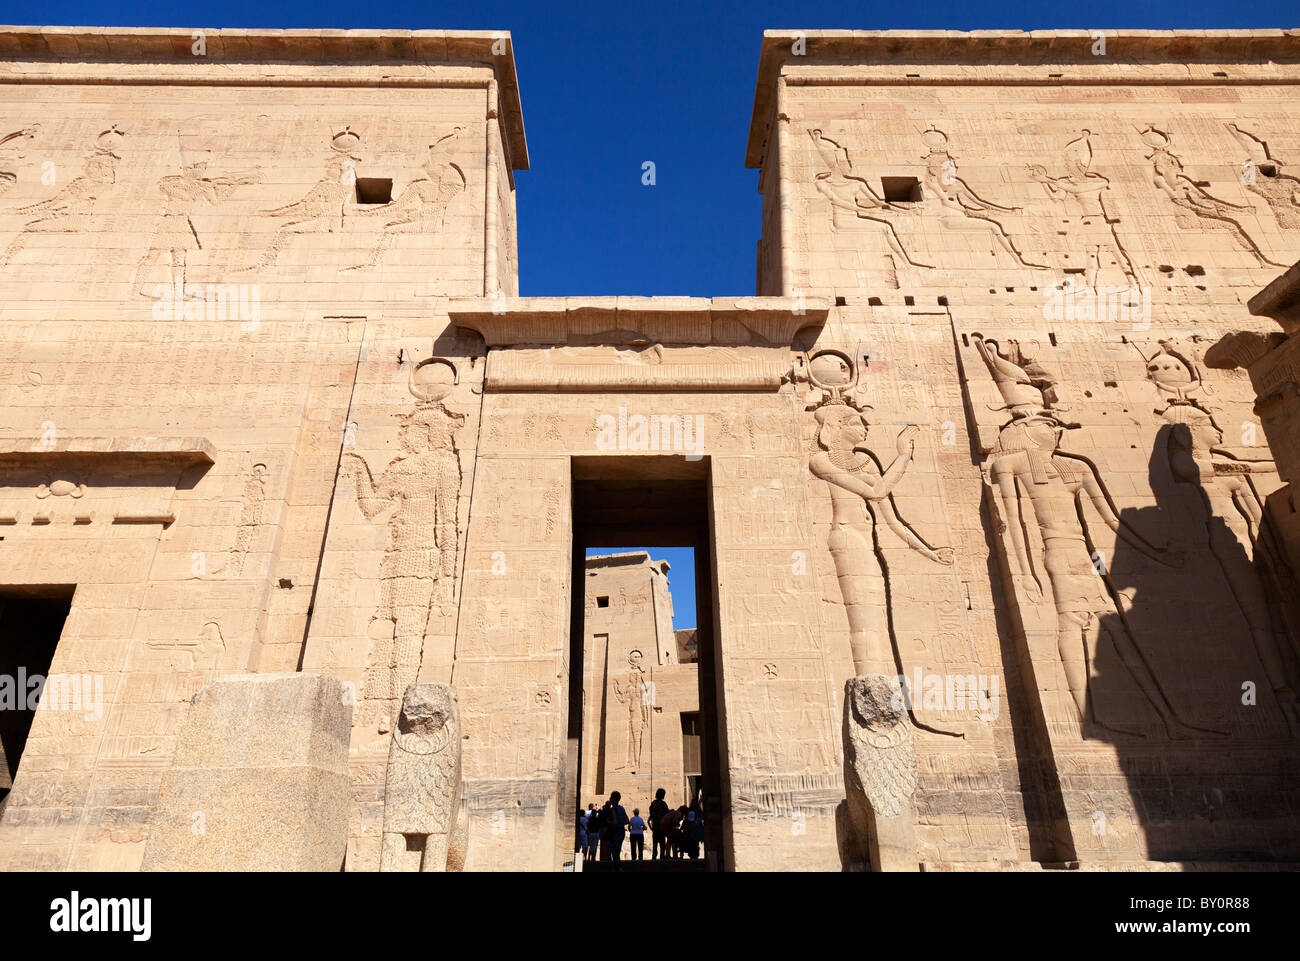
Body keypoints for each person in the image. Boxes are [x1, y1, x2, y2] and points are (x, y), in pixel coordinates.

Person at [603, 791, 629, 863]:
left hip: (615, 832)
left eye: (611, 798)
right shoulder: (622, 808)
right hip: (621, 832)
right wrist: (620, 823)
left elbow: (614, 822)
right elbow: (627, 821)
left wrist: (608, 821)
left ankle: (617, 867)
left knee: (614, 852)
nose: (610, 799)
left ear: (613, 799)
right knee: (617, 851)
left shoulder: (613, 809)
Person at [648, 788, 669, 860]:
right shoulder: (663, 804)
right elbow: (667, 813)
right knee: (662, 843)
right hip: (661, 826)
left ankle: (654, 856)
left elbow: (650, 813)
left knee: (655, 843)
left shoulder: (653, 803)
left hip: (655, 826)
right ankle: (662, 856)